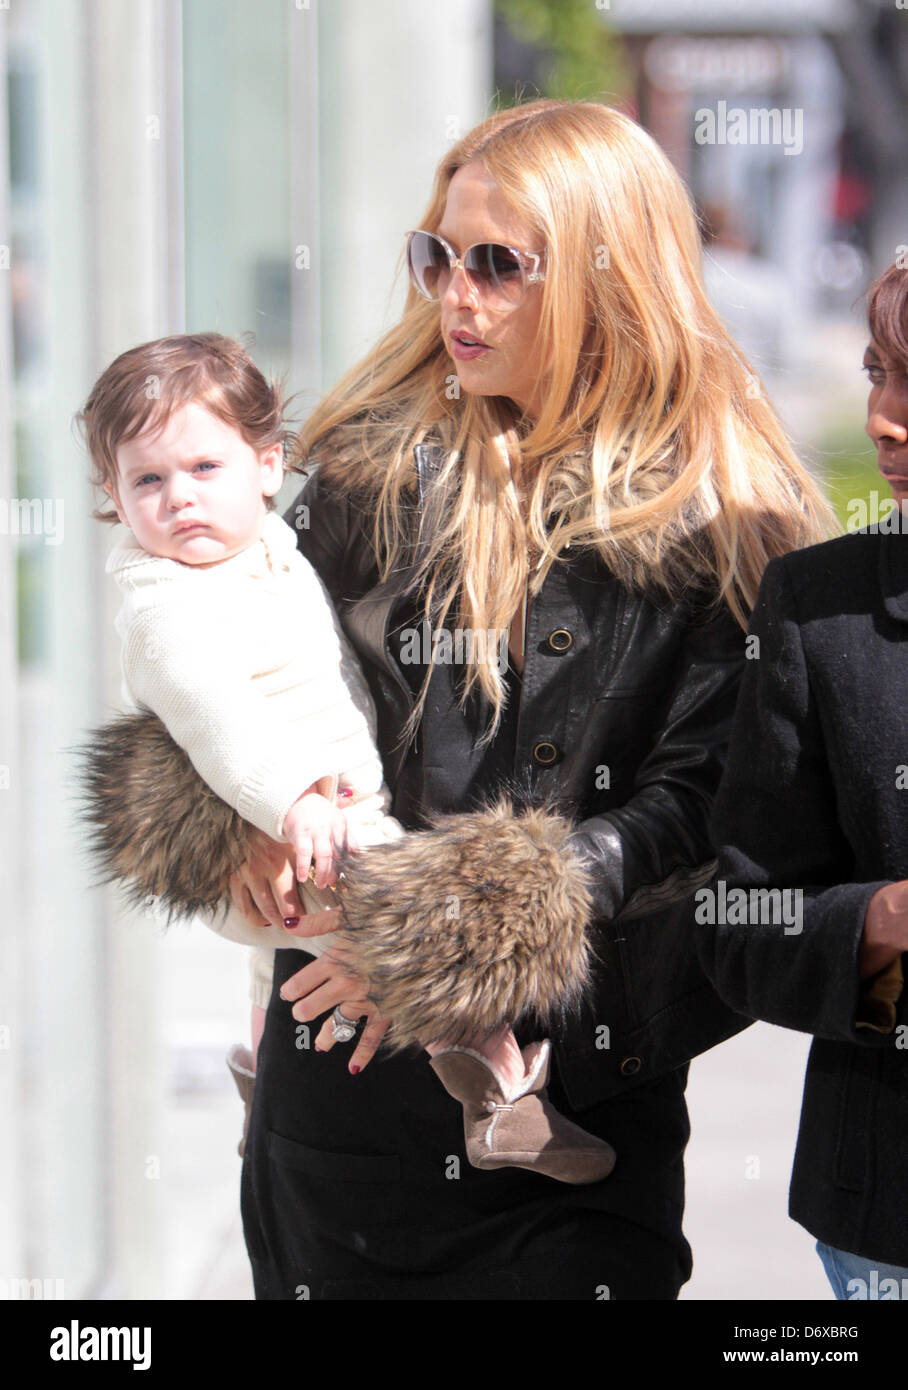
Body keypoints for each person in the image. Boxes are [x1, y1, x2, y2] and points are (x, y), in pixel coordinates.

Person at [230, 98, 837, 1300]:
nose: (457, 297)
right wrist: (239, 823)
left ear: (611, 276)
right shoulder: (361, 476)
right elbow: (242, 679)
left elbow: (715, 827)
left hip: (569, 1136)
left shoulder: (724, 525)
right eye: (438, 257)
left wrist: (442, 950)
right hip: (334, 1110)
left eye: (500, 266)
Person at [78, 331, 616, 1180]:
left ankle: (261, 1084)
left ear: (267, 465)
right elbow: (213, 715)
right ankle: (501, 1092)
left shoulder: (266, 550)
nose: (178, 499)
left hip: (306, 823)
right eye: (147, 480)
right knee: (430, 915)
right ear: (112, 495)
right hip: (301, 825)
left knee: (283, 970)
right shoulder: (164, 603)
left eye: (203, 470)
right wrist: (292, 800)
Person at [696, 262, 908, 1300]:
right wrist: (879, 921)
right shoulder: (818, 606)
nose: (882, 417)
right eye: (876, 372)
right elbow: (737, 920)